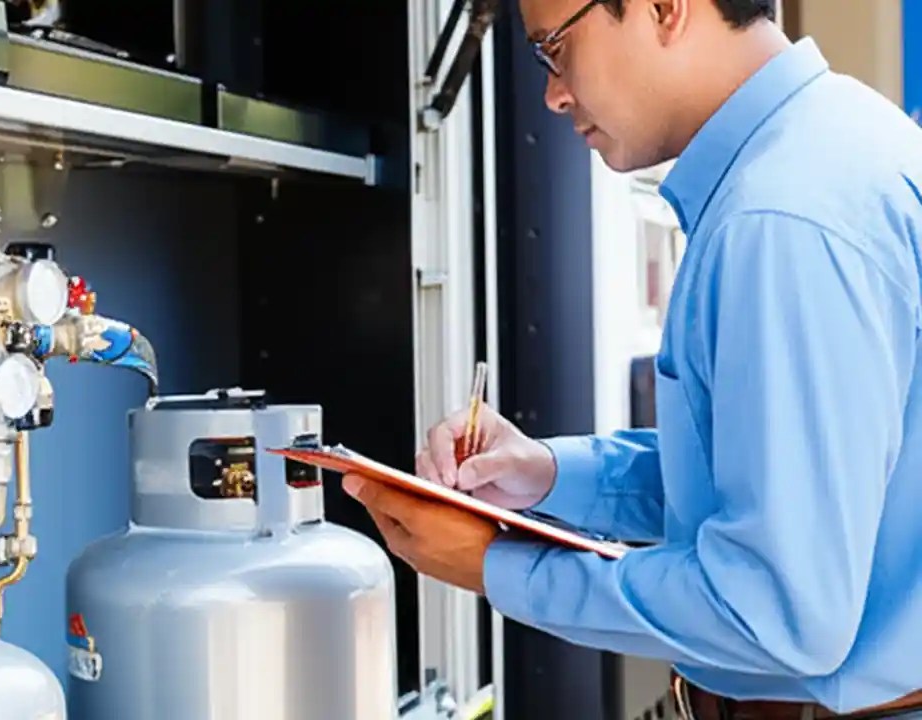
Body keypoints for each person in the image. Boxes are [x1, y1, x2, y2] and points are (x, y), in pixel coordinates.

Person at [341, 0, 922, 718]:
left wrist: (495, 567)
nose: (554, 92)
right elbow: (780, 484)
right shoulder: (836, 144)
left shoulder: (780, 220)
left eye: (554, 47)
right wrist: (546, 475)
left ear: (663, 8)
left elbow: (781, 614)